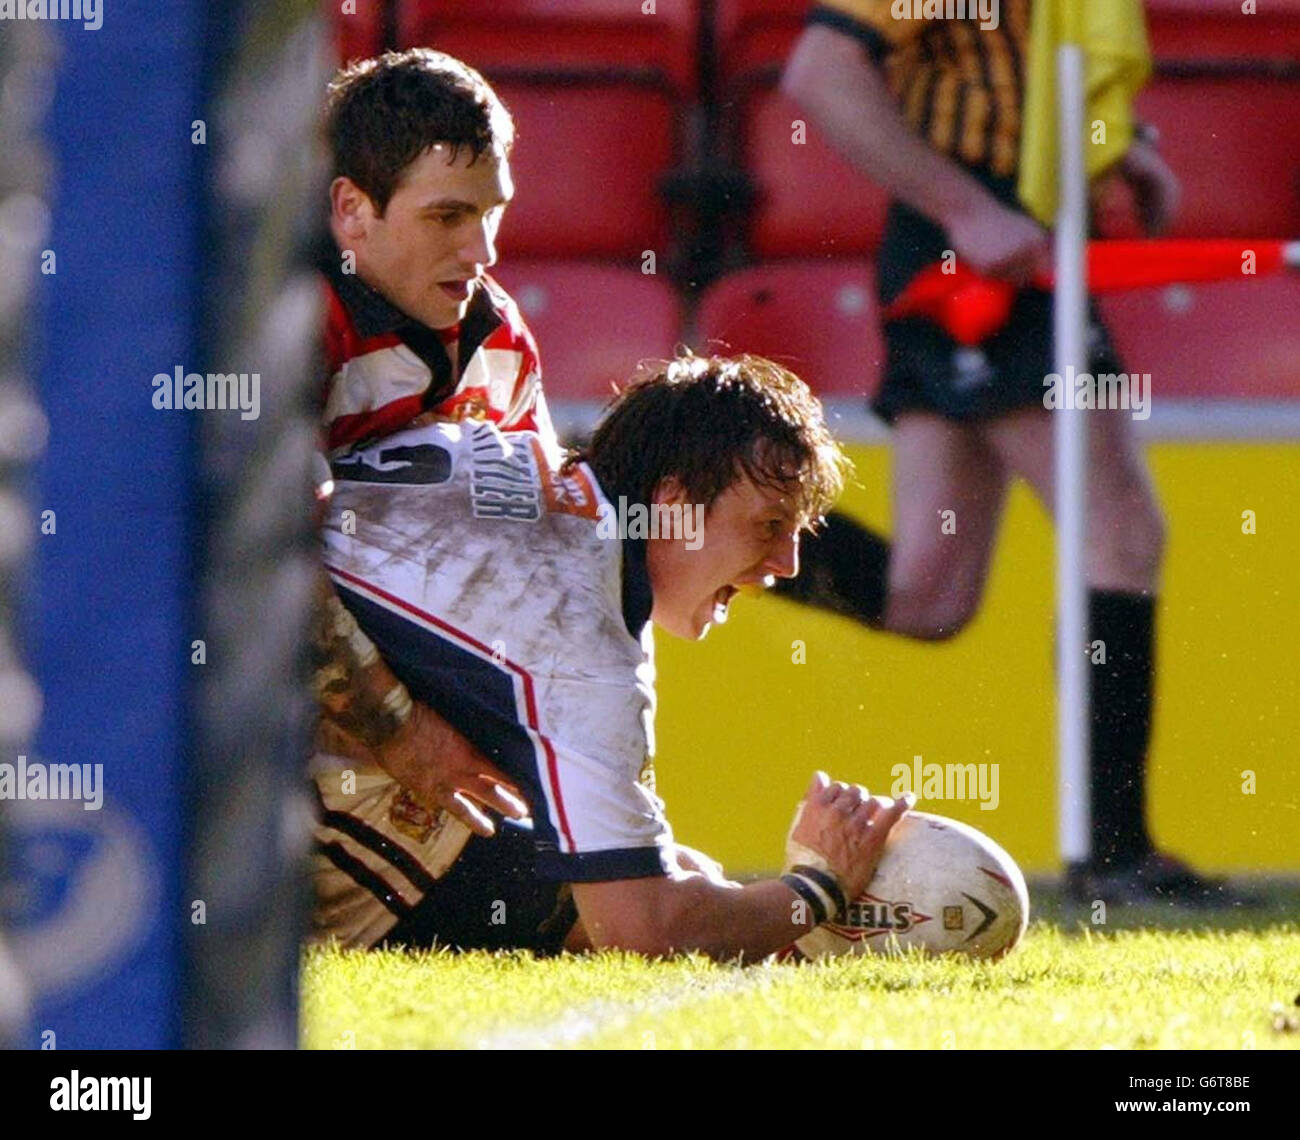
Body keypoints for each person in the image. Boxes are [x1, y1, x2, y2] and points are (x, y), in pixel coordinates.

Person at [777, 1, 1241, 905]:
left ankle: (663, 485)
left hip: (1008, 241)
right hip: (979, 251)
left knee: (930, 594)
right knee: (1120, 531)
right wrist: (965, 206)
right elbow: (820, 71)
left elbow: (1037, 72)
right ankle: (1113, 851)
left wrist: (1116, 148)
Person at [311, 352, 913, 958]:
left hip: (241, 708)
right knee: (639, 901)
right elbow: (643, 931)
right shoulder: (578, 644)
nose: (786, 568)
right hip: (249, 816)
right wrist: (816, 889)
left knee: (679, 869)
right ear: (673, 502)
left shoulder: (506, 450)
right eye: (769, 527)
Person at [311, 48, 551, 842]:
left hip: (417, 726)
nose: (483, 252)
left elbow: (546, 550)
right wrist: (402, 733)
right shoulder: (282, 332)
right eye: (447, 217)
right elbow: (254, 566)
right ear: (352, 210)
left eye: (493, 212)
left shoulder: (501, 336)